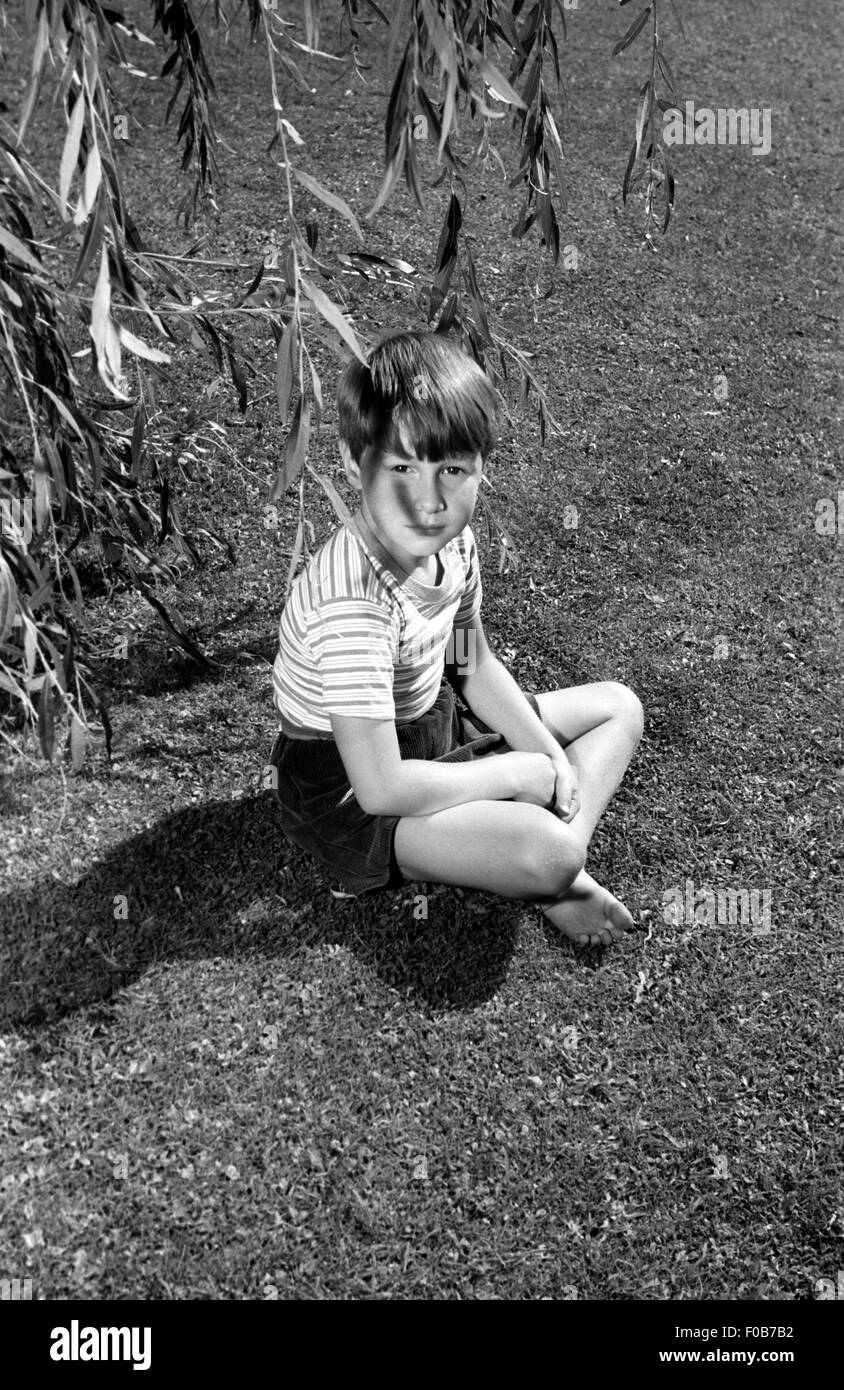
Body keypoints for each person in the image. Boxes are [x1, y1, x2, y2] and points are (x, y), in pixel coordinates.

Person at [269, 330, 644, 947]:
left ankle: (531, 861)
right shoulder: (352, 602)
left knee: (618, 706)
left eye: (450, 469)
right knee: (551, 853)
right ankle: (549, 872)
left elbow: (470, 663)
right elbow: (381, 785)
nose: (429, 501)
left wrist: (546, 757)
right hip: (350, 788)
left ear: (480, 467)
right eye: (400, 467)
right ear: (350, 459)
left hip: (427, 728)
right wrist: (515, 776)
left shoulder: (455, 545)